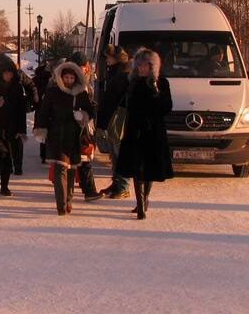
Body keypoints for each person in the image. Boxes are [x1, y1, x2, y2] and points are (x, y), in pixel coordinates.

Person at [115, 48, 174, 220]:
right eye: (139, 65)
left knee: (150, 169)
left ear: (152, 66)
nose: (142, 69)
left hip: (153, 132)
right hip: (135, 132)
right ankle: (140, 207)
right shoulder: (132, 82)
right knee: (137, 169)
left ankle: (145, 198)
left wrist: (156, 93)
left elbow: (167, 107)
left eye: (145, 65)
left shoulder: (161, 83)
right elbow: (126, 104)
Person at [33, 61, 95, 216]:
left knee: (72, 170)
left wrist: (83, 116)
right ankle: (61, 205)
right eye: (66, 77)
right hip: (57, 134)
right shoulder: (53, 92)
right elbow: (44, 111)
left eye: (71, 78)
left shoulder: (81, 93)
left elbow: (90, 111)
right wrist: (41, 129)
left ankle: (68, 200)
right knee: (61, 169)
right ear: (61, 77)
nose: (68, 80)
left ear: (76, 78)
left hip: (74, 136)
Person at [0, 53, 38, 195]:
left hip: (12, 127)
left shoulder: (17, 86)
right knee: (0, 154)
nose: (8, 75)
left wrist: (21, 128)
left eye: (10, 73)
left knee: (7, 157)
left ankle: (5, 186)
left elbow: (21, 109)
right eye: (5, 73)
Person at [96, 45, 132, 199]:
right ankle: (116, 183)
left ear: (115, 58)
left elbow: (115, 98)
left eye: (108, 57)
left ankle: (123, 185)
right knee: (113, 154)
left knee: (120, 153)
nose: (107, 61)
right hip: (111, 117)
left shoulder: (123, 74)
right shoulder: (115, 72)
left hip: (118, 118)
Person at [68, 51, 103, 202]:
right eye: (83, 66)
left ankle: (82, 188)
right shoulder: (75, 83)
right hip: (77, 126)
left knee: (81, 158)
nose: (86, 68)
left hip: (84, 125)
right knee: (83, 158)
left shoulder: (85, 81)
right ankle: (89, 190)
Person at [32, 59, 52, 163]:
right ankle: (47, 155)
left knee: (43, 130)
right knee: (49, 130)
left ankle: (43, 155)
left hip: (41, 107)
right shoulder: (52, 78)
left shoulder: (37, 77)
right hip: (47, 107)